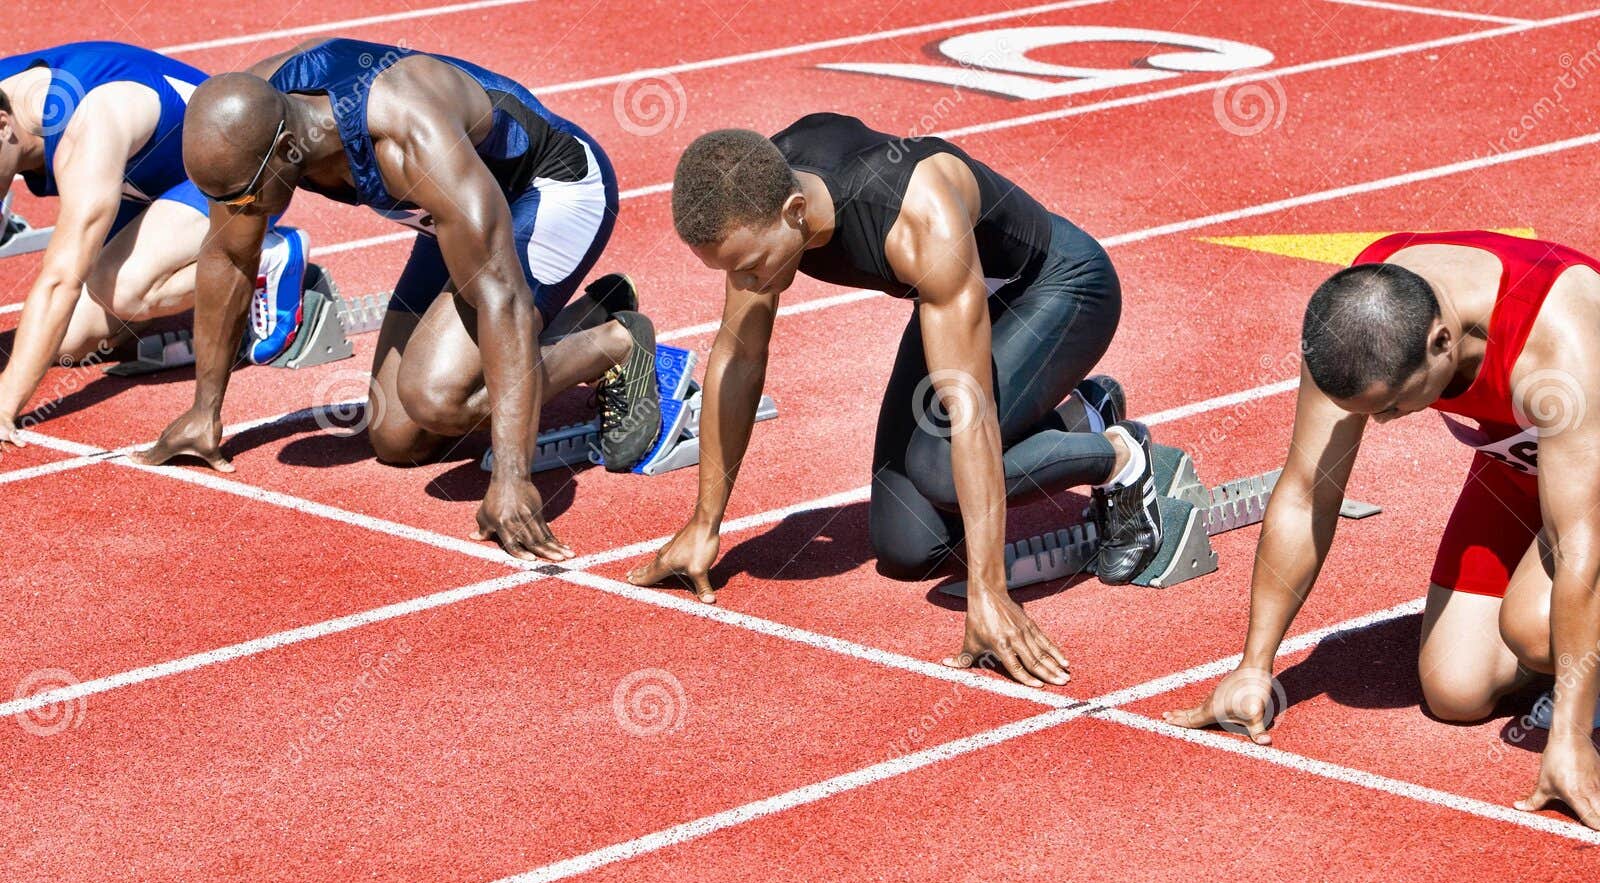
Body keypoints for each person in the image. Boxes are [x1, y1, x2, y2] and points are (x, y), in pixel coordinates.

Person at [628, 115, 1162, 687]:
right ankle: (1081, 414)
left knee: (940, 471)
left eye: (752, 267)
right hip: (955, 296)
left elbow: (970, 406)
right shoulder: (754, 192)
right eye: (731, 272)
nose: (747, 285)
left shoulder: (914, 215)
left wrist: (988, 591)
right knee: (908, 547)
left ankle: (1120, 458)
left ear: (795, 211)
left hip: (1060, 288)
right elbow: (738, 360)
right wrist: (704, 523)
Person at [136, 38, 661, 560]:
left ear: (284, 147)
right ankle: (591, 310)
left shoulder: (407, 132)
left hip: (549, 190)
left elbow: (503, 300)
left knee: (438, 398)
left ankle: (615, 343)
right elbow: (229, 257)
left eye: (243, 196)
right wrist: (204, 409)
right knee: (396, 438)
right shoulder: (245, 117)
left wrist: (511, 478)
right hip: (452, 214)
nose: (235, 210)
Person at [1166, 230, 1600, 831]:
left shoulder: (1560, 339)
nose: (1383, 423)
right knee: (1455, 689)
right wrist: (1254, 666)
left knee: (1532, 630)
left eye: (1393, 405)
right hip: (1522, 465)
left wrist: (1570, 735)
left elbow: (1579, 542)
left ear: (1441, 341)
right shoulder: (1354, 318)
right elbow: (1307, 492)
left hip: (1586, 467)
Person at [0, 40, 307, 449]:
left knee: (123, 288)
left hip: (236, 173)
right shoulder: (10, 94)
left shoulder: (90, 125)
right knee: (69, 342)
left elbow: (61, 280)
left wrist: (5, 404)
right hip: (140, 180)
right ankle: (167, 268)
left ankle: (260, 253)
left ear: (3, 126)